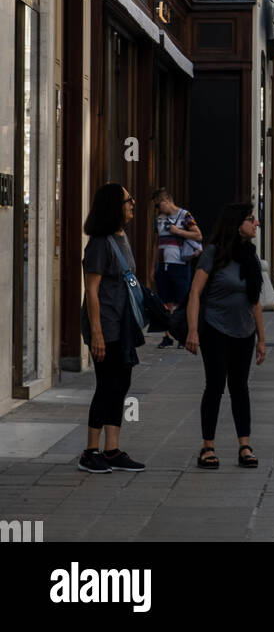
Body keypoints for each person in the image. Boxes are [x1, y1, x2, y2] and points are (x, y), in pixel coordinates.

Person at [185, 202, 266, 469]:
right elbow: (195, 292)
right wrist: (193, 330)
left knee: (240, 388)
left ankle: (245, 445)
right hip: (216, 329)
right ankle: (207, 447)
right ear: (236, 224)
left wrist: (262, 339)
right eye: (250, 220)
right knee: (215, 386)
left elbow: (255, 300)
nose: (255, 224)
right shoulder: (213, 253)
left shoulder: (250, 255)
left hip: (245, 332)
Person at [79, 183, 146, 473]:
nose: (133, 204)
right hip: (104, 326)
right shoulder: (99, 243)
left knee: (121, 385)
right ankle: (90, 451)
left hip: (124, 325)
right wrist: (96, 333)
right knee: (106, 386)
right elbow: (91, 291)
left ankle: (112, 450)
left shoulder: (122, 237)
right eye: (129, 200)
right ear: (114, 207)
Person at [150, 187, 202, 348]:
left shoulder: (184, 215)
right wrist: (153, 266)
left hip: (180, 264)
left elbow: (198, 235)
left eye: (158, 205)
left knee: (181, 300)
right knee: (166, 301)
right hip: (163, 265)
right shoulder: (159, 219)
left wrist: (178, 231)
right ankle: (168, 335)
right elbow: (156, 243)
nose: (158, 209)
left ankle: (182, 335)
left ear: (166, 201)